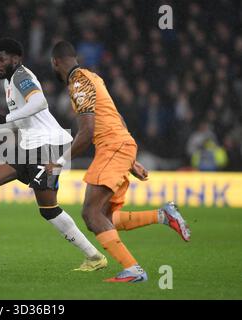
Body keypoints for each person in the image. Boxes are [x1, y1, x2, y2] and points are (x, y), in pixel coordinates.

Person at [0, 38, 108, 271]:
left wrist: (6, 118)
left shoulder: (21, 75)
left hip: (49, 146)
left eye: (2, 59)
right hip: (30, 146)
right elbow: (22, 121)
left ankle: (94, 256)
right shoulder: (9, 82)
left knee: (49, 210)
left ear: (16, 59)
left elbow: (39, 103)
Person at [47, 41, 191, 282]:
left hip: (112, 146)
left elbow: (87, 132)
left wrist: (60, 161)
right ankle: (163, 215)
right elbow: (118, 116)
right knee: (106, 216)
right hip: (120, 145)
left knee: (91, 213)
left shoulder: (78, 83)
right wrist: (131, 161)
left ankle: (134, 270)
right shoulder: (93, 77)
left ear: (55, 62)